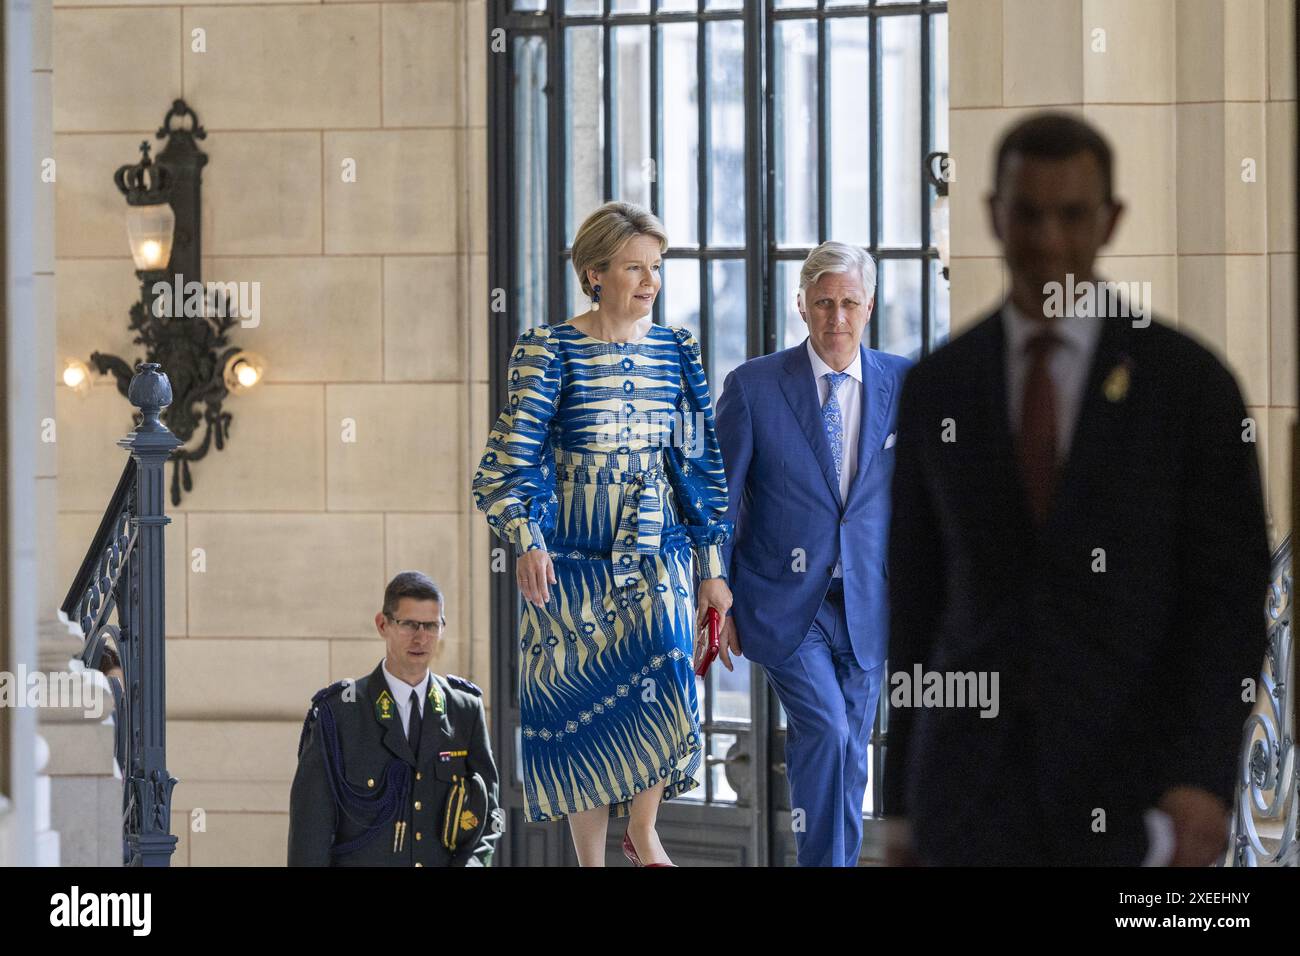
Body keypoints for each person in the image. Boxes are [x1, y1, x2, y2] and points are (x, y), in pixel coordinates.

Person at [884, 112, 1271, 866]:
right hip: (967, 794)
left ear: (1110, 220)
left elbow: (1227, 602)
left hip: (1137, 795)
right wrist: (899, 803)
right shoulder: (941, 386)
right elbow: (916, 607)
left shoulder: (1188, 387)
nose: (1050, 241)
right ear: (994, 215)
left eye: (1071, 215)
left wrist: (1203, 780)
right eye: (1028, 214)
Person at [473, 200, 733, 867]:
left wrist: (711, 565)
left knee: (669, 676)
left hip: (660, 557)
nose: (649, 282)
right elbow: (509, 462)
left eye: (656, 267)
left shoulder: (679, 351)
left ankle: (643, 832)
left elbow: (697, 464)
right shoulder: (546, 350)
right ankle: (591, 860)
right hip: (571, 566)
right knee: (579, 708)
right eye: (633, 268)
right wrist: (525, 539)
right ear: (593, 274)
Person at [714, 241, 913, 866]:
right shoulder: (754, 387)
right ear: (802, 306)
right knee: (825, 729)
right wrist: (713, 581)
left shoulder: (906, 384)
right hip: (782, 603)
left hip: (868, 603)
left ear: (870, 306)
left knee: (852, 751)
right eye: (823, 303)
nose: (837, 318)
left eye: (849, 303)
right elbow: (719, 498)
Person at [288, 571, 500, 867]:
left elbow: (490, 814)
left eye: (430, 625)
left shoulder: (464, 709)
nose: (420, 637)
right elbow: (310, 832)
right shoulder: (338, 713)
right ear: (382, 624)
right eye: (409, 624)